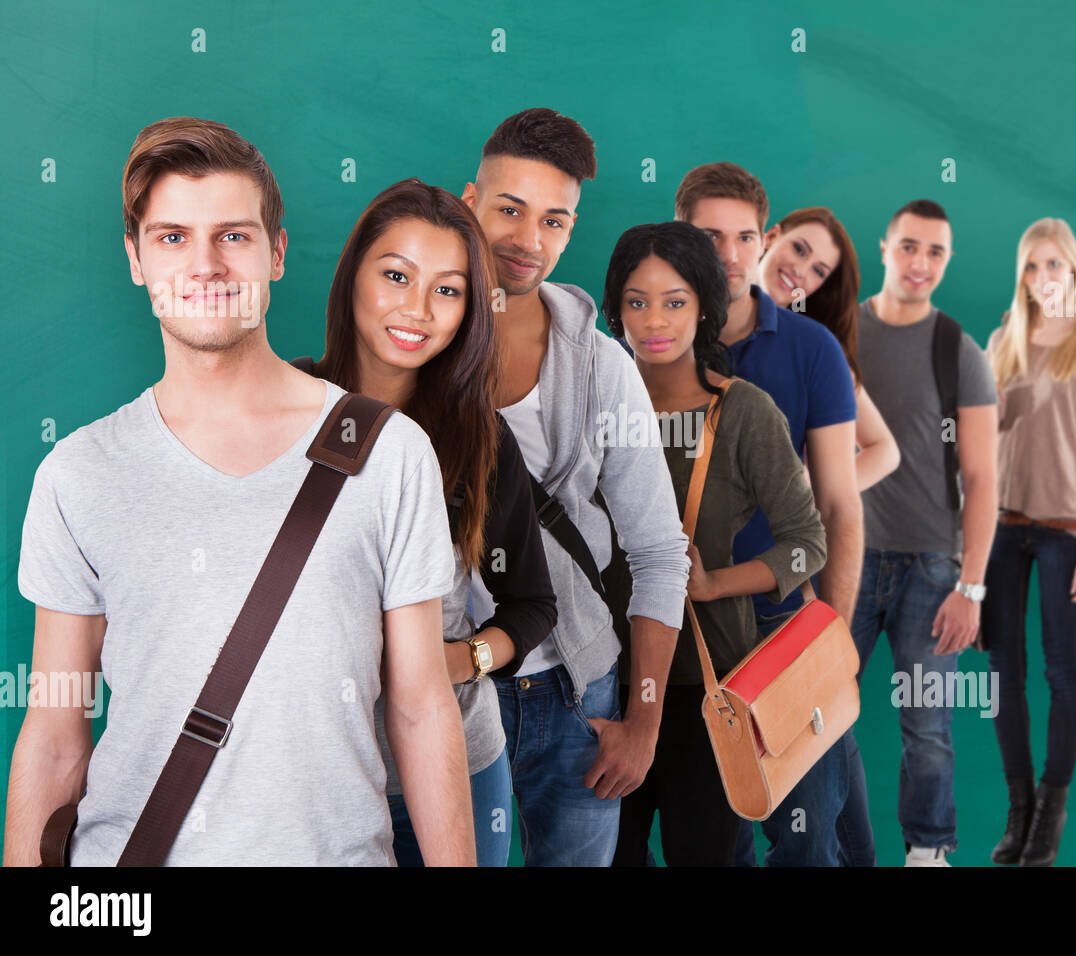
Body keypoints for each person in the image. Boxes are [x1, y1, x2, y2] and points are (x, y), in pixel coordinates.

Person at [4, 117, 474, 866]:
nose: (205, 266)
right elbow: (56, 733)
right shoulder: (78, 472)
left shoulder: (387, 453)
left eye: (233, 236)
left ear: (276, 253)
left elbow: (420, 707)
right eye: (171, 238)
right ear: (135, 259)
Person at [297, 179, 558, 866]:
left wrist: (464, 659)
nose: (417, 309)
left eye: (447, 289)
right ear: (353, 273)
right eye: (395, 276)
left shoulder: (482, 440)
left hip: (455, 772)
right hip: (309, 774)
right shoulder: (282, 412)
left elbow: (533, 604)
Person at [460, 108, 691, 866]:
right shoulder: (408, 344)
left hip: (577, 690)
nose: (530, 241)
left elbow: (659, 551)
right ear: (469, 202)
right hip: (450, 691)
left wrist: (644, 722)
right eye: (510, 210)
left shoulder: (602, 369)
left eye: (555, 221)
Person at [603, 221, 828, 866]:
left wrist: (714, 583)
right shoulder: (592, 406)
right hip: (597, 683)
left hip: (707, 688)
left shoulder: (744, 413)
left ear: (704, 306)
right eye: (636, 301)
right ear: (615, 309)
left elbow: (806, 543)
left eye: (674, 301)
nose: (654, 320)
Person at [676, 161, 860, 866]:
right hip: (682, 637)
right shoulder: (646, 337)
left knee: (809, 841)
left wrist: (831, 644)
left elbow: (841, 505)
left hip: (784, 629)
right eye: (708, 236)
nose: (728, 254)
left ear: (765, 239)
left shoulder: (812, 349)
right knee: (714, 846)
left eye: (744, 236)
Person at [837, 199, 1000, 867]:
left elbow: (983, 478)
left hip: (932, 570)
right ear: (884, 248)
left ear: (947, 261)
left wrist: (973, 586)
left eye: (935, 252)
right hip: (846, 559)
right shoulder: (840, 333)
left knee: (927, 727)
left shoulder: (957, 350)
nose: (920, 263)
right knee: (823, 714)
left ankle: (929, 852)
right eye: (909, 247)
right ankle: (835, 846)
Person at [984, 217, 1076, 866]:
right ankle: (1016, 808)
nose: (1045, 278)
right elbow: (983, 447)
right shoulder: (1002, 343)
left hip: (1067, 531)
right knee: (1003, 671)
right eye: (1033, 266)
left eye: (1055, 265)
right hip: (1001, 529)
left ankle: (1052, 809)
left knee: (1061, 667)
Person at [758, 206, 900, 492]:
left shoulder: (813, 350)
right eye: (799, 249)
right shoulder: (696, 311)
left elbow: (884, 450)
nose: (800, 270)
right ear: (772, 236)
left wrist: (812, 492)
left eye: (818, 271)